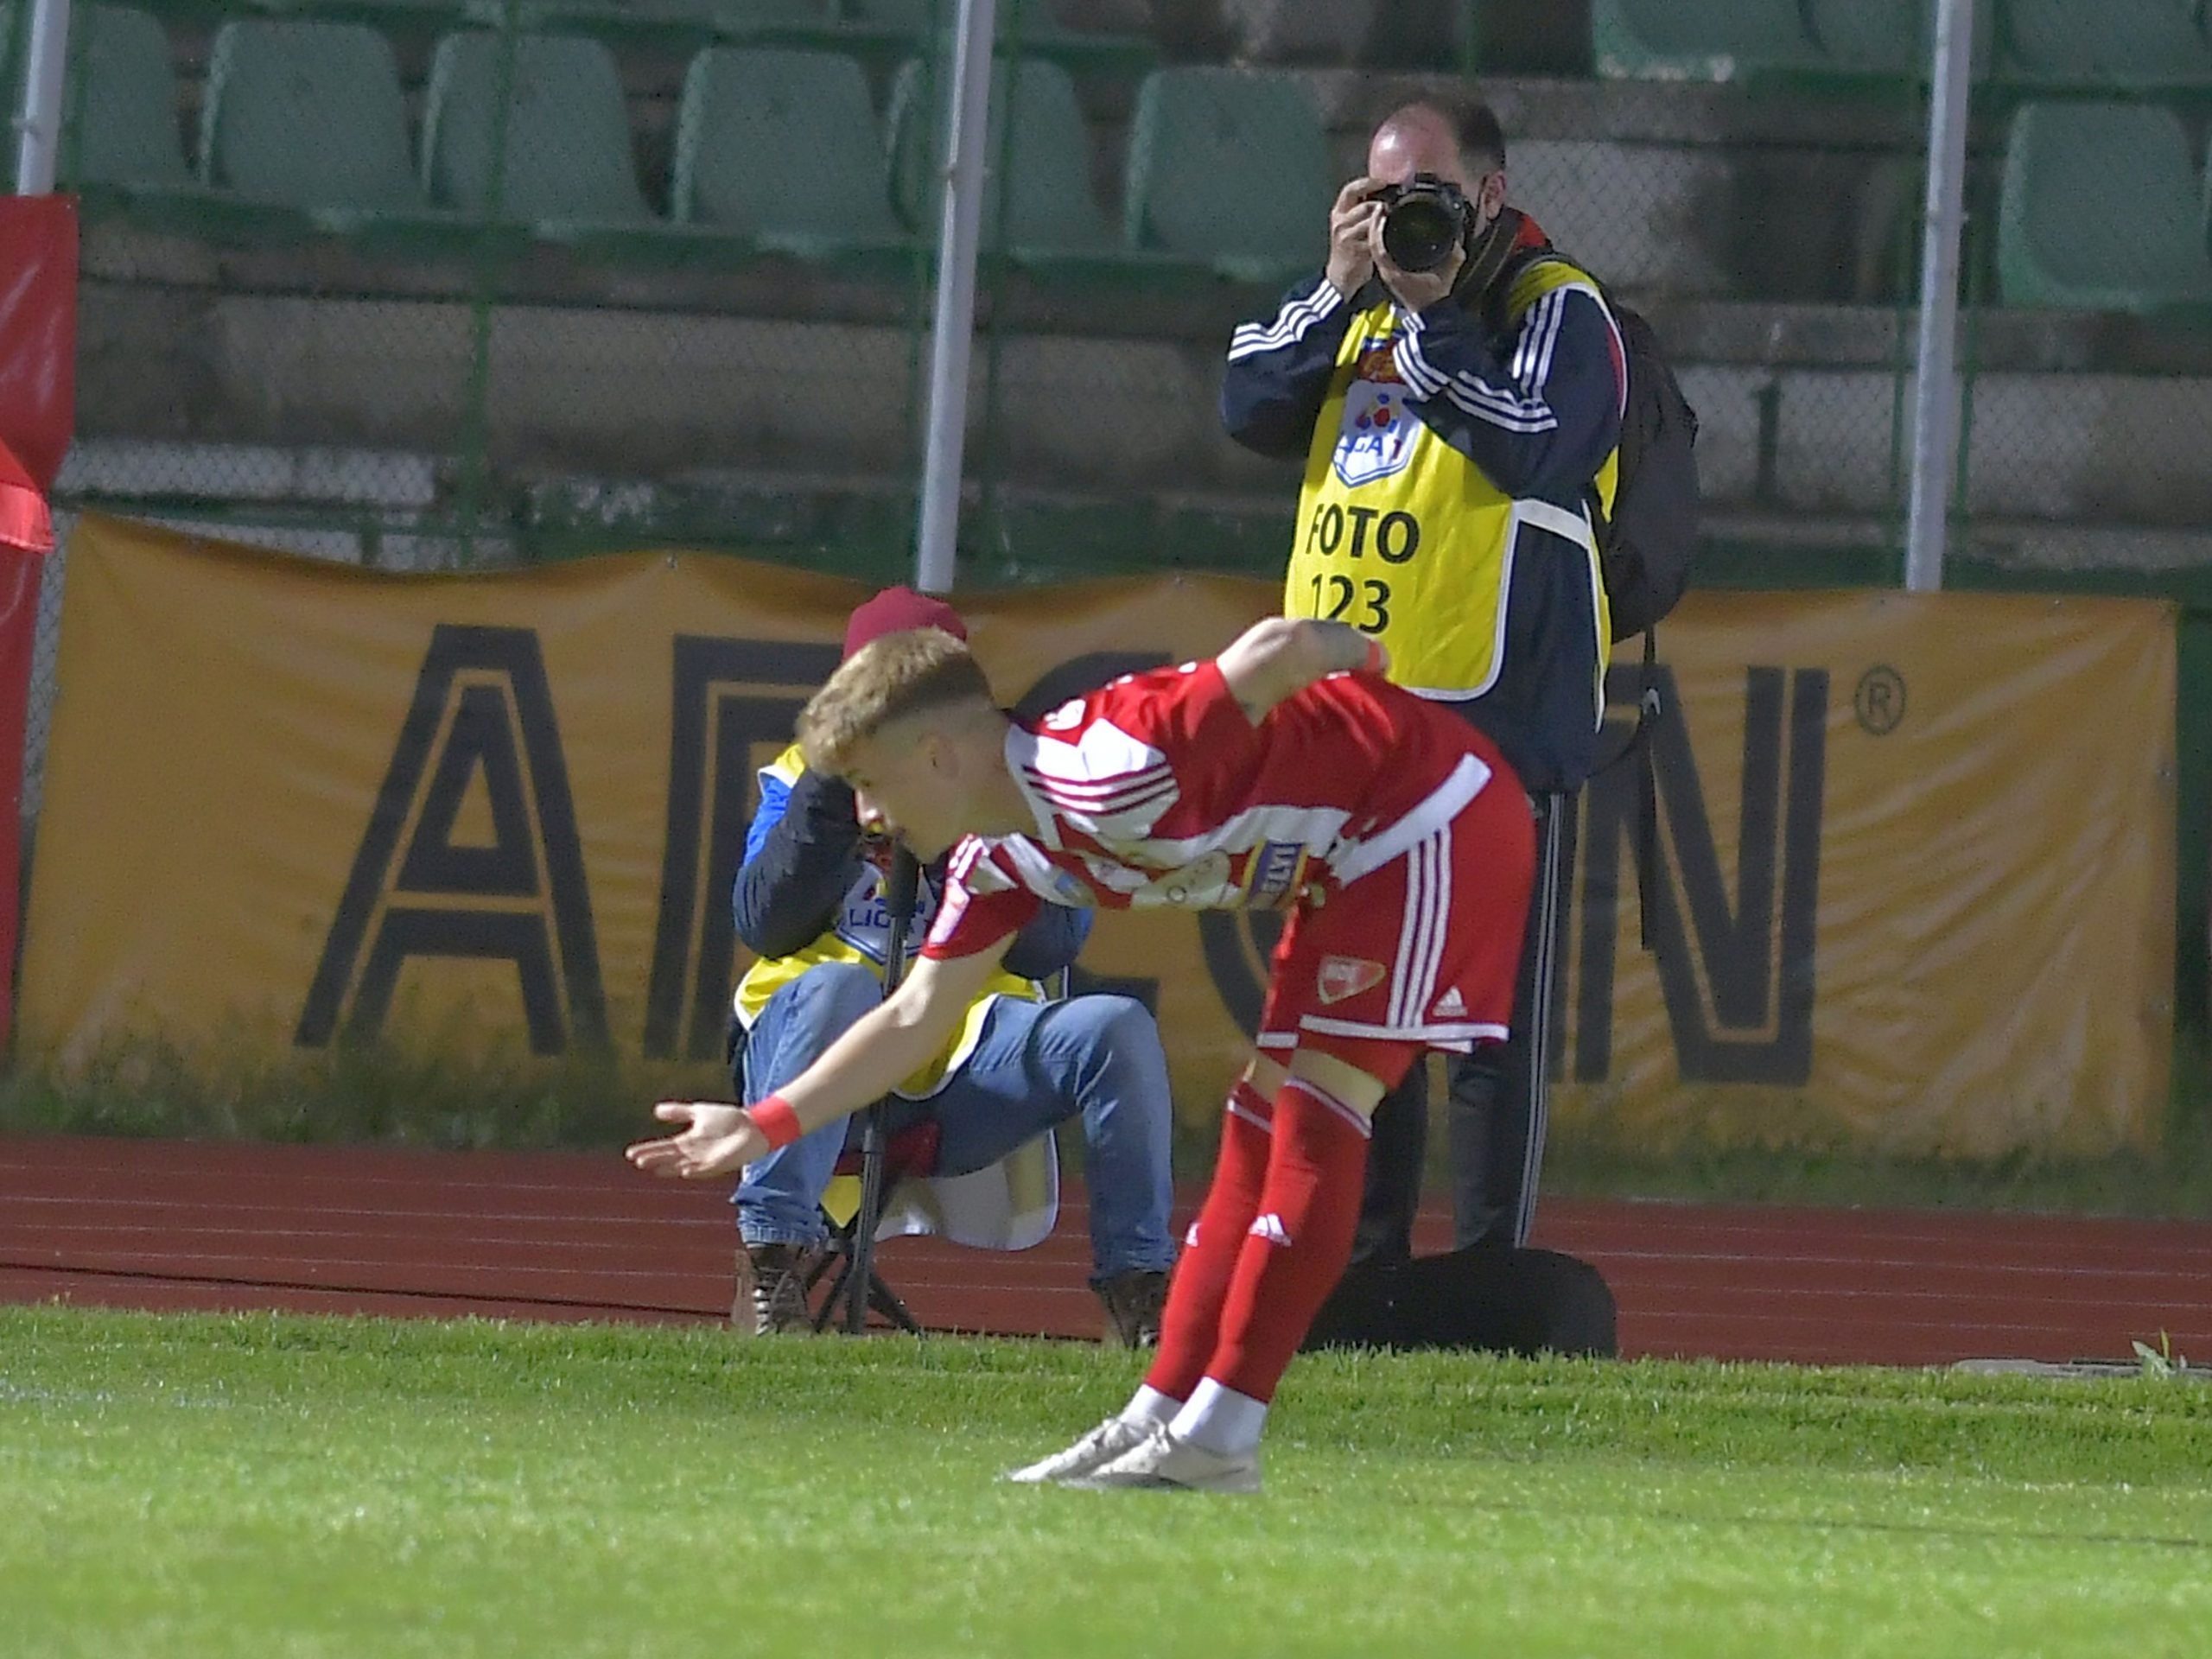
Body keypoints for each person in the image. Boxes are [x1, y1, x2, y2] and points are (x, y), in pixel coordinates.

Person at [628, 614, 1536, 1493]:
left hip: (1432, 816)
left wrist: (1375, 656)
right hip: (1342, 859)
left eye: (870, 782)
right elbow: (911, 1017)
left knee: (1314, 1118)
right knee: (1256, 1121)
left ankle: (1221, 1434)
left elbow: (1279, 648)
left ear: (937, 756)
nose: (866, 816)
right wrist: (761, 1123)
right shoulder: (1000, 855)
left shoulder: (1106, 768)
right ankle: (1158, 1418)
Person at [1221, 97, 1628, 1263]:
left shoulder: (1555, 308)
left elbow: (1537, 439)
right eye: (1386, 196)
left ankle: (1489, 1273)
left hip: (1497, 710)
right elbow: (1247, 404)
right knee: (1360, 1001)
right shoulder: (1354, 311)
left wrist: (1439, 314)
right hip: (1356, 718)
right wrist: (1338, 287)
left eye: (1430, 198)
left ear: (1489, 198)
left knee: (1488, 1025)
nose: (1409, 220)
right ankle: (1366, 1267)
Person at [721, 587, 1178, 1344]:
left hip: (963, 1064)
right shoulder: (796, 779)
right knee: (841, 985)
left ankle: (1142, 1298)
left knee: (1116, 1028)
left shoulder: (1003, 776)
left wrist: (977, 819)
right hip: (812, 1069)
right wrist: (840, 786)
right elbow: (764, 922)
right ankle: (770, 1268)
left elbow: (1051, 945)